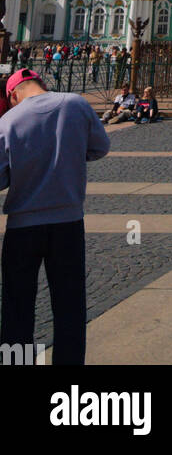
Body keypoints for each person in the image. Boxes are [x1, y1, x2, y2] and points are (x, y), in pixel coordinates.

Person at [0, 67, 110, 365]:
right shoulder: (76, 104)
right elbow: (101, 147)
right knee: (69, 305)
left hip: (23, 227)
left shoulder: (9, 121)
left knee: (17, 308)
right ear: (41, 83)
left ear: (13, 95)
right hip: (68, 223)